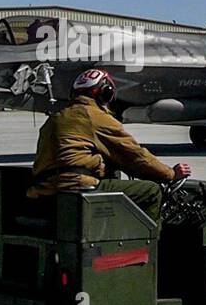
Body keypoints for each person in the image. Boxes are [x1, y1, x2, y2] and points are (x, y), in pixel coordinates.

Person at [27, 68, 190, 221]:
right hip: (76, 187)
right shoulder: (95, 116)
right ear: (106, 93)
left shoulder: (55, 118)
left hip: (45, 190)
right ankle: (147, 247)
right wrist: (170, 174)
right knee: (151, 192)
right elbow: (135, 155)